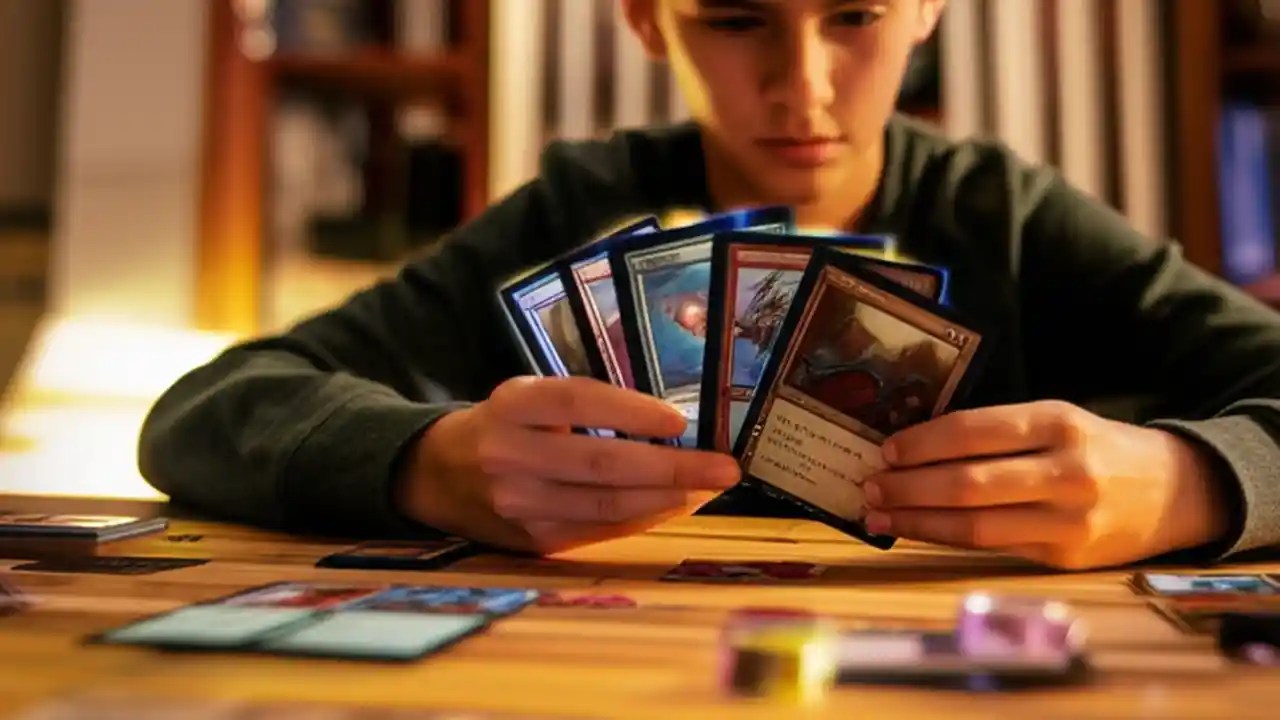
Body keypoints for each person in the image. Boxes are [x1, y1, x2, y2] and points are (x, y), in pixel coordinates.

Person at [139, 0, 1280, 570]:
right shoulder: (570, 214)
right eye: (734, 17)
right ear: (644, 16)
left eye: (854, 16)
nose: (803, 88)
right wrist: (425, 463)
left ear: (929, 7)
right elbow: (204, 408)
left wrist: (1187, 482)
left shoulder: (1012, 223)